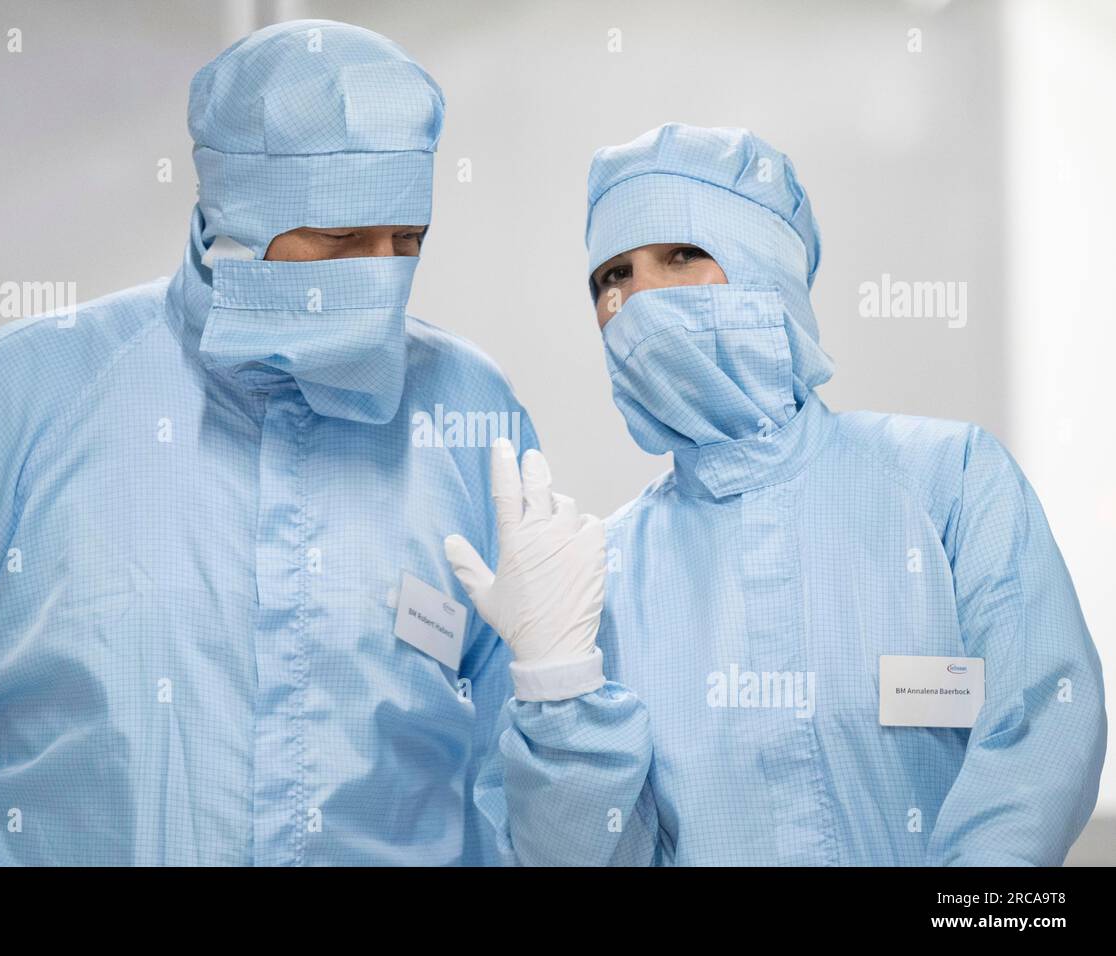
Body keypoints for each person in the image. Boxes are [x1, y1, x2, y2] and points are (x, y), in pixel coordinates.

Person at [0, 20, 536, 866]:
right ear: (235, 211)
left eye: (405, 243)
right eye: (342, 243)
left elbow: (521, 787)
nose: (380, 274)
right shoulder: (17, 398)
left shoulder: (467, 410)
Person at [458, 123, 1106, 866]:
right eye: (612, 278)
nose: (636, 301)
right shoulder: (600, 579)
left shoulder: (947, 482)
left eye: (681, 256)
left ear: (768, 267)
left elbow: (1040, 733)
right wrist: (559, 690)